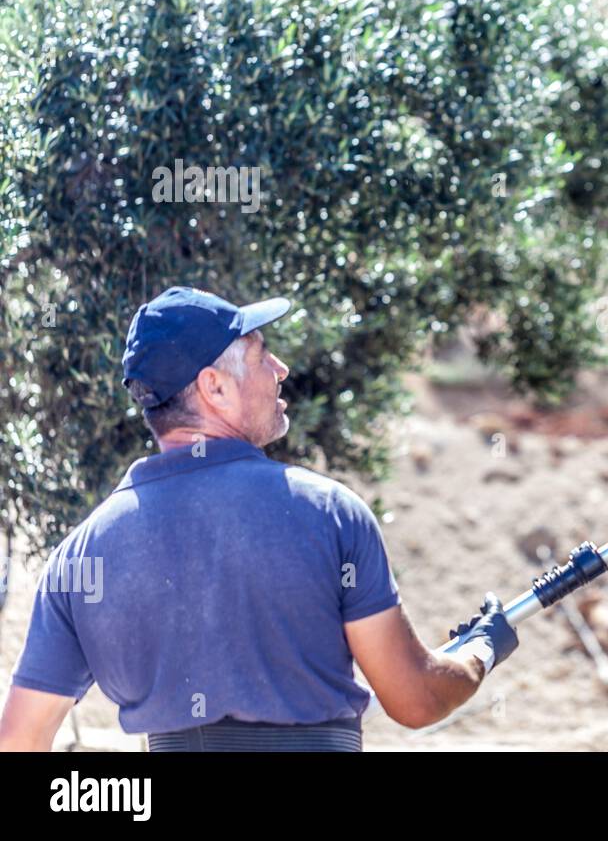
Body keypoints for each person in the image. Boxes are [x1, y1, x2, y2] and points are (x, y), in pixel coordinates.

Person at [0, 286, 517, 751]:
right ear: (214, 387)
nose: (280, 368)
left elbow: (20, 739)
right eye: (260, 353)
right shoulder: (329, 513)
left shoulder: (80, 556)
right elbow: (416, 699)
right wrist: (481, 649)